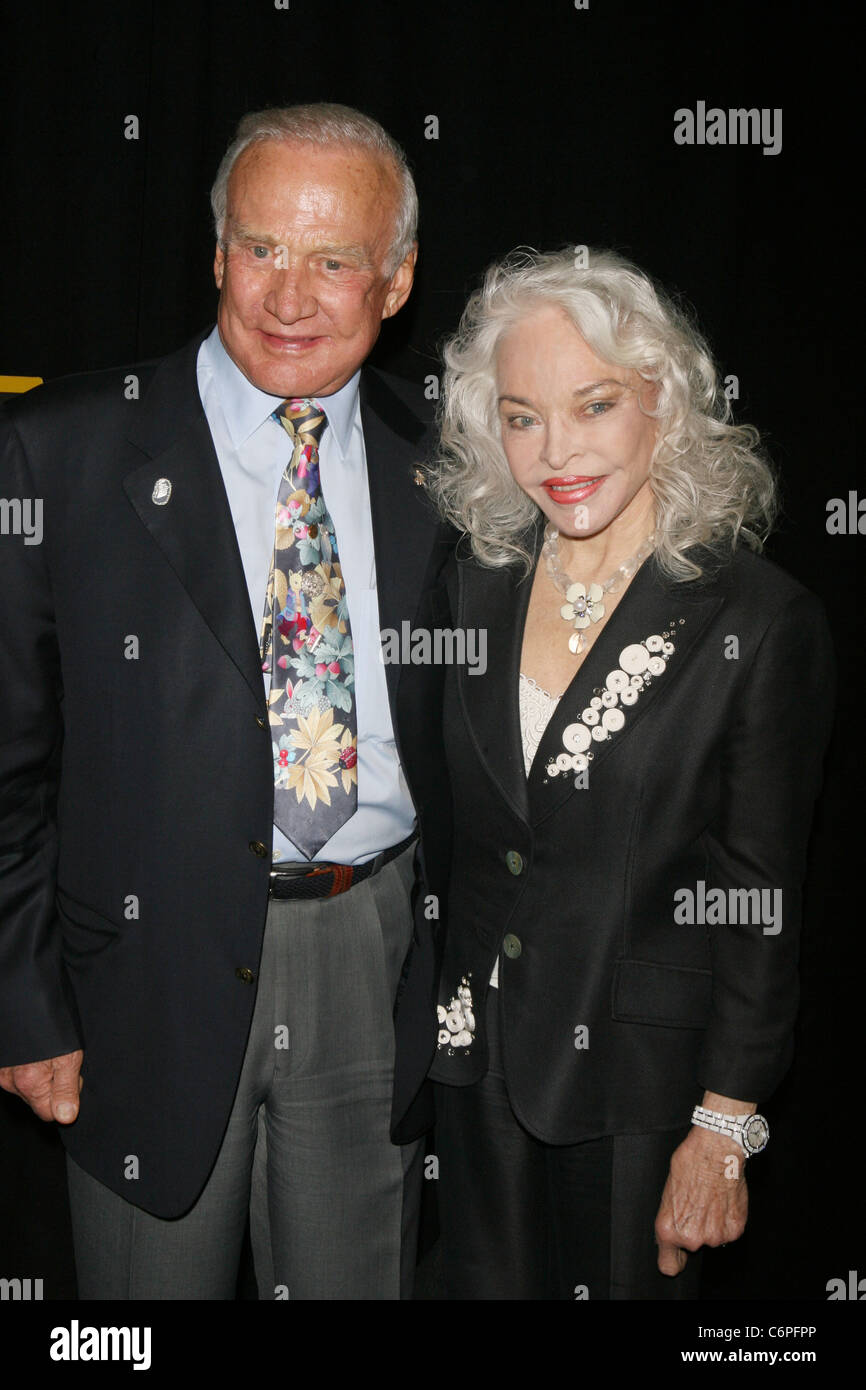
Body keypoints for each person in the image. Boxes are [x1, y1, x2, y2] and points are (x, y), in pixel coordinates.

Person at [0, 103, 453, 1300]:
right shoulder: (60, 450)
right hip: (139, 974)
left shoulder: (453, 470)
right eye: (261, 248)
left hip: (373, 952)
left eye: (334, 259)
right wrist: (23, 1007)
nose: (288, 295)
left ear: (396, 280)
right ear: (214, 255)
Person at [426, 246, 835, 1299]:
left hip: (643, 1100)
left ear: (665, 399)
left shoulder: (756, 618)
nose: (553, 450)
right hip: (468, 1077)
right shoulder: (465, 585)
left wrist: (722, 1126)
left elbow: (758, 899)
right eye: (519, 416)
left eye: (593, 404)